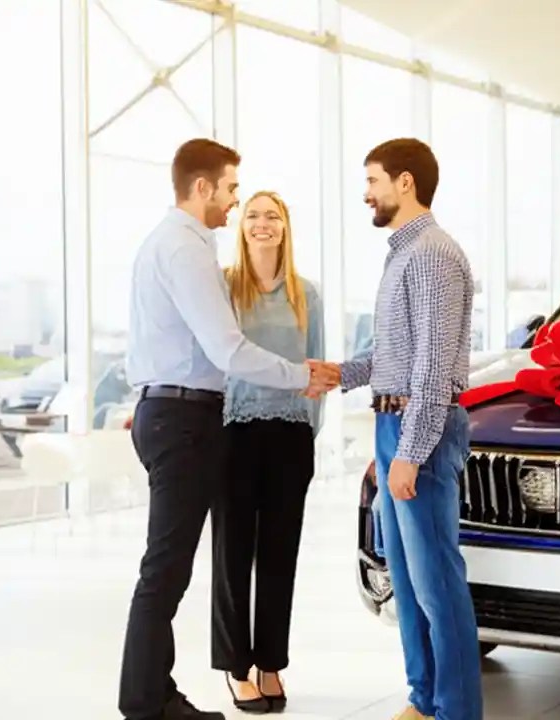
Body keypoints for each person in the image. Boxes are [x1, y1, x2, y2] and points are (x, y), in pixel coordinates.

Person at [119, 139, 338, 720]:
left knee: (167, 569)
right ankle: (147, 701)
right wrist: (300, 376)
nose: (236, 204)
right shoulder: (189, 252)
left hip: (180, 414)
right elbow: (227, 348)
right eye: (233, 190)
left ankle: (154, 694)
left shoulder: (174, 244)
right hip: (188, 419)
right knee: (166, 570)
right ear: (202, 188)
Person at [329, 138, 482, 720]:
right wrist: (338, 374)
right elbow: (394, 355)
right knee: (409, 581)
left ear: (405, 183)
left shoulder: (434, 255)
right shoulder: (402, 252)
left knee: (438, 582)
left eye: (373, 180)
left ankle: (458, 711)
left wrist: (411, 452)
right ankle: (424, 701)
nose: (366, 192)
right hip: (393, 423)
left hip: (425, 428)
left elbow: (434, 367)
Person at [211, 191, 324, 714]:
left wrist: (308, 434)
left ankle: (270, 663)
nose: (262, 224)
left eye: (272, 216)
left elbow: (317, 371)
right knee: (233, 554)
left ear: (285, 227)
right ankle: (236, 667)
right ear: (242, 226)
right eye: (253, 215)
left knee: (280, 556)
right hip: (234, 433)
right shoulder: (222, 287)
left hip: (289, 435)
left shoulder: (308, 294)